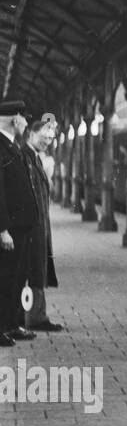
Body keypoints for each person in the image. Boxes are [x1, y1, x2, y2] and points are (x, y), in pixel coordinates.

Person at [0, 101, 39, 345]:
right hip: (10, 229)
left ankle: (12, 324)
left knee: (17, 276)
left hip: (21, 227)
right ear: (15, 120)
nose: (25, 123)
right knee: (5, 278)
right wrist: (2, 229)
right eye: (24, 118)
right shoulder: (1, 146)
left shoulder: (10, 145)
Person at [22, 113, 61, 332]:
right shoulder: (25, 157)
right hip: (32, 225)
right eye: (43, 137)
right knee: (32, 270)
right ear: (32, 133)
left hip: (40, 225)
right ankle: (32, 317)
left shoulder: (35, 157)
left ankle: (37, 315)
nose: (47, 141)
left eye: (50, 139)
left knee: (38, 269)